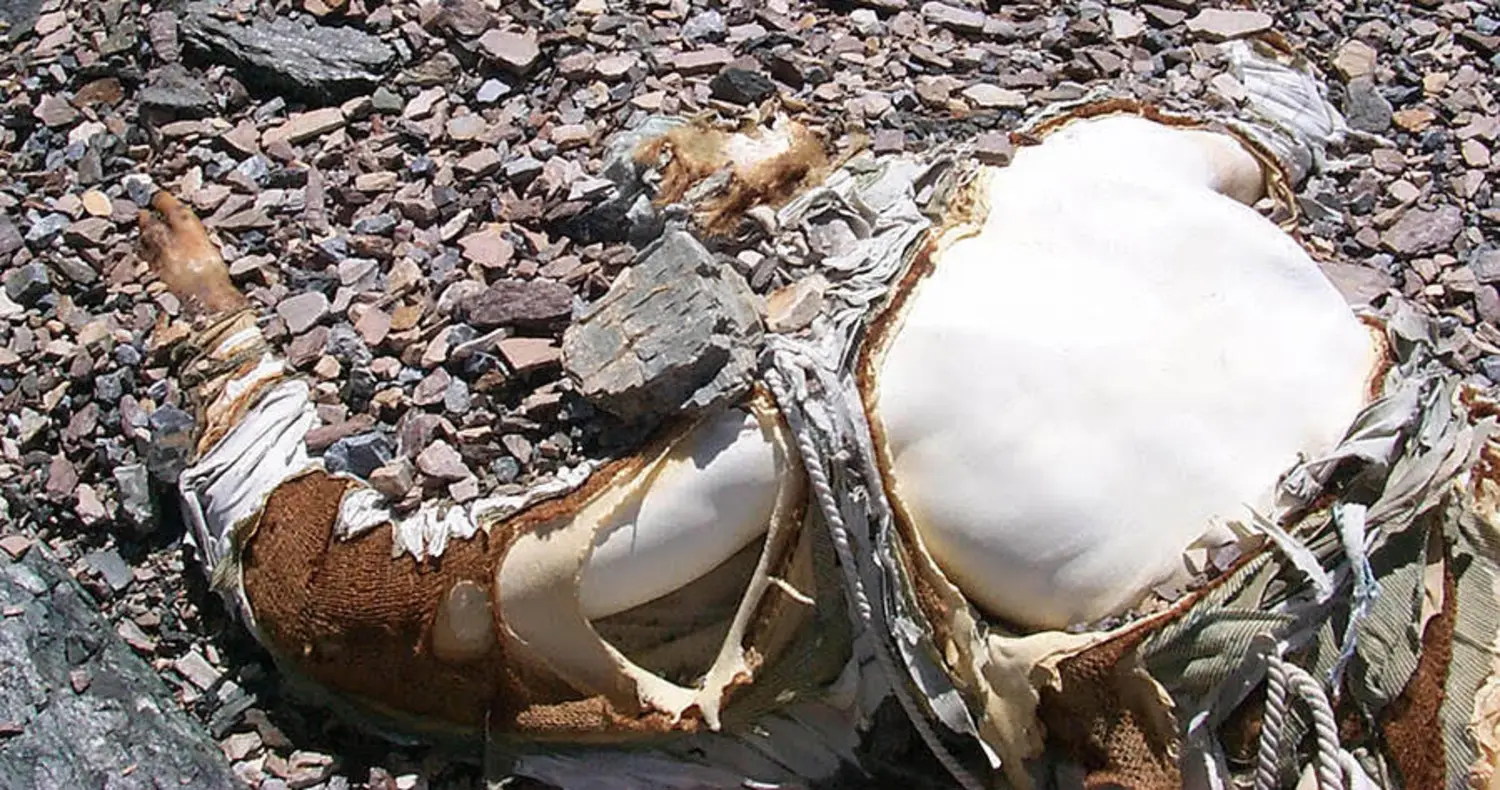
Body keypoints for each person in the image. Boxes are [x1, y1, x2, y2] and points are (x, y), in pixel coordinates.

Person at [138, 38, 1500, 790]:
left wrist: (235, 380)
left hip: (1329, 703)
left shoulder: (836, 407)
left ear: (747, 254)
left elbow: (448, 600)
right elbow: (1272, 128)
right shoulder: (1105, 152)